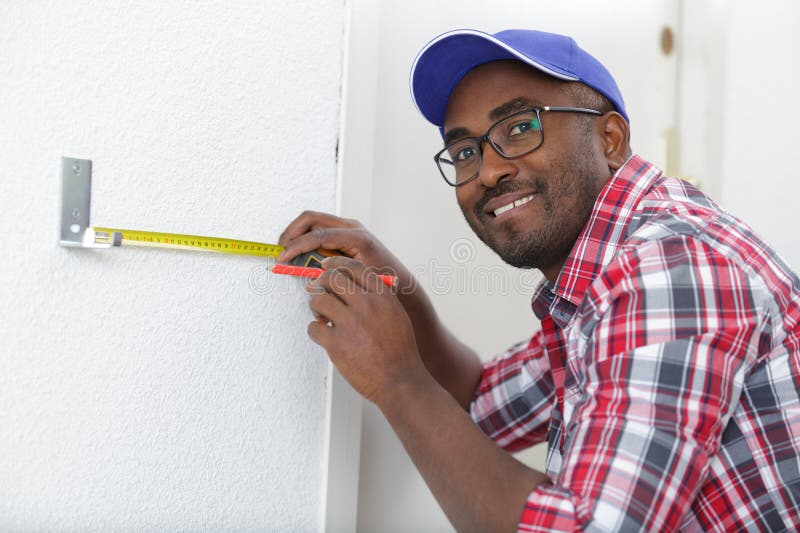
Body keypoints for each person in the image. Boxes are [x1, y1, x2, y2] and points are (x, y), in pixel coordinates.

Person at [277, 28, 800, 532]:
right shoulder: (600, 279)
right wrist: (398, 288)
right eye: (465, 151)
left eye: (520, 128)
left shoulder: (670, 267)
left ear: (610, 138)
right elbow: (479, 403)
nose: (486, 171)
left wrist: (398, 383)